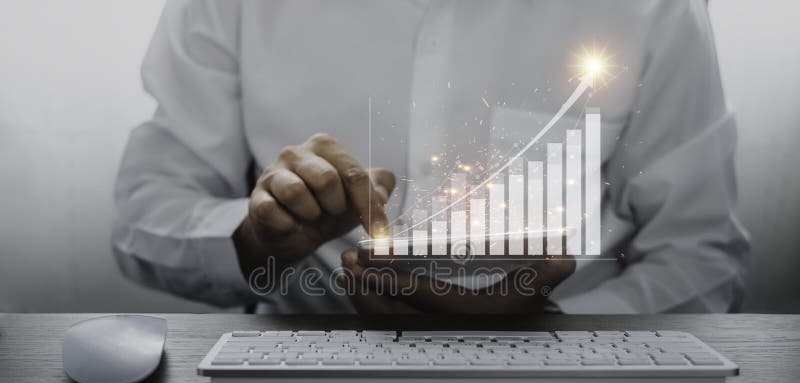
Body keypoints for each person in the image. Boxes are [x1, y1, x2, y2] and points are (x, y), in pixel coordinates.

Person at [113, 0, 749, 314]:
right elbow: (145, 217)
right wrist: (257, 236)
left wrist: (559, 329)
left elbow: (701, 255)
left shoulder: (652, 9)